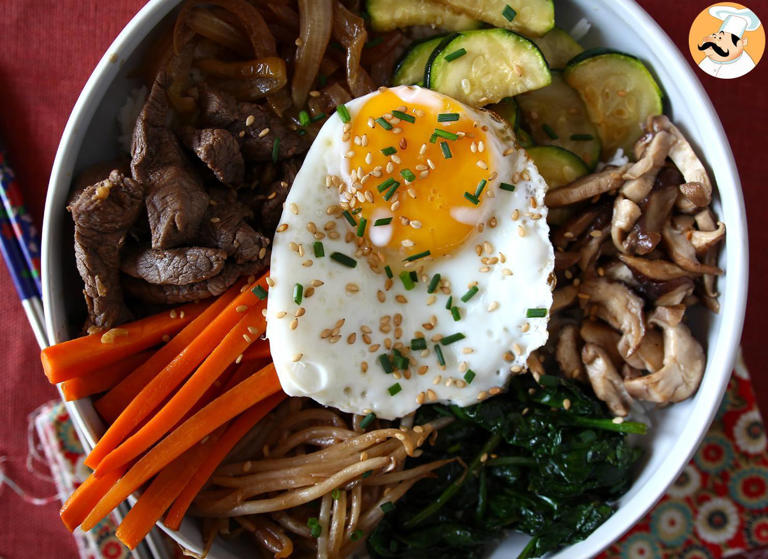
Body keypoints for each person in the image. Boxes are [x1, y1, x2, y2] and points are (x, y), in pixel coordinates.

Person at [697, 6, 761, 79]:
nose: (713, 41)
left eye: (720, 38)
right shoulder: (706, 62)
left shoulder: (745, 66)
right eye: (714, 36)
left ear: (740, 44)